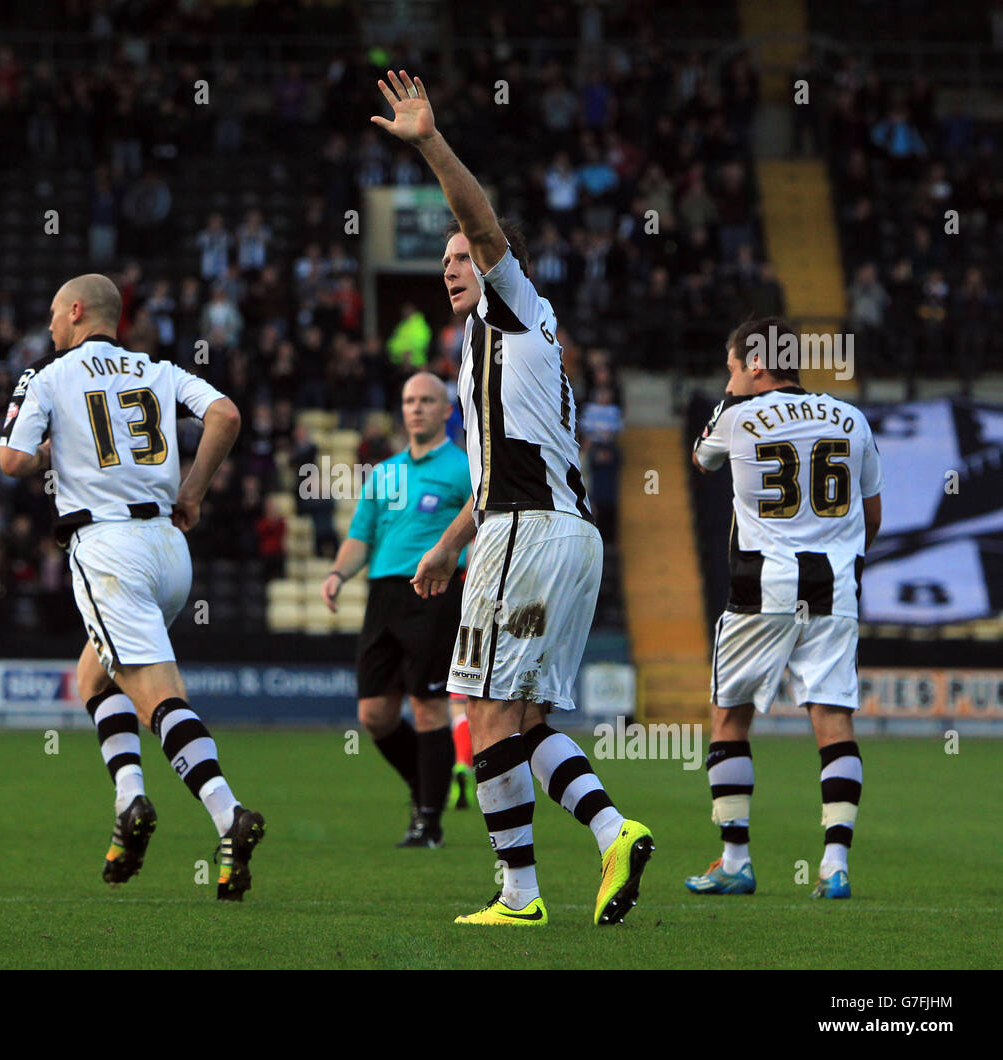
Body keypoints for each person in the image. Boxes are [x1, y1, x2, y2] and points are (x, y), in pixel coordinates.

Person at [374, 70, 654, 927]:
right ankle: (613, 832)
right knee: (522, 714)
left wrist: (427, 140)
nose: (455, 263)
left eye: (466, 255)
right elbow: (499, 467)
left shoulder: (515, 306)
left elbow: (482, 217)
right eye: (450, 258)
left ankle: (521, 895)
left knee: (483, 707)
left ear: (497, 264)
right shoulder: (494, 351)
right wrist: (450, 539)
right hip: (555, 531)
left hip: (529, 536)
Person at [0, 273, 265, 900]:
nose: (50, 326)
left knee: (158, 700)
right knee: (92, 678)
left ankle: (229, 814)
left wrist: (48, 455)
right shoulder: (158, 369)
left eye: (54, 315)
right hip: (170, 551)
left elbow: (10, 460)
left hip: (107, 550)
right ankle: (130, 802)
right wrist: (192, 491)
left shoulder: (50, 376)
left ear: (76, 311)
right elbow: (226, 414)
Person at [687, 316, 882, 900]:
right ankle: (835, 866)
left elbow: (703, 459)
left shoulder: (737, 417)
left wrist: (730, 398)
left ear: (753, 364)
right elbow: (872, 519)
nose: (728, 376)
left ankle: (736, 860)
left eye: (731, 365)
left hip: (760, 589)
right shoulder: (853, 418)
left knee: (730, 717)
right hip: (835, 590)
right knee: (833, 720)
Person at [322, 372, 474, 848]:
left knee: (428, 707)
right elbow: (360, 537)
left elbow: (482, 523)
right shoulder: (384, 472)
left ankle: (429, 821)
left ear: (447, 410)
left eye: (427, 400)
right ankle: (426, 785)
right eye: (409, 400)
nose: (417, 408)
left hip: (434, 592)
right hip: (383, 595)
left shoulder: (465, 468)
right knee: (374, 715)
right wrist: (336, 574)